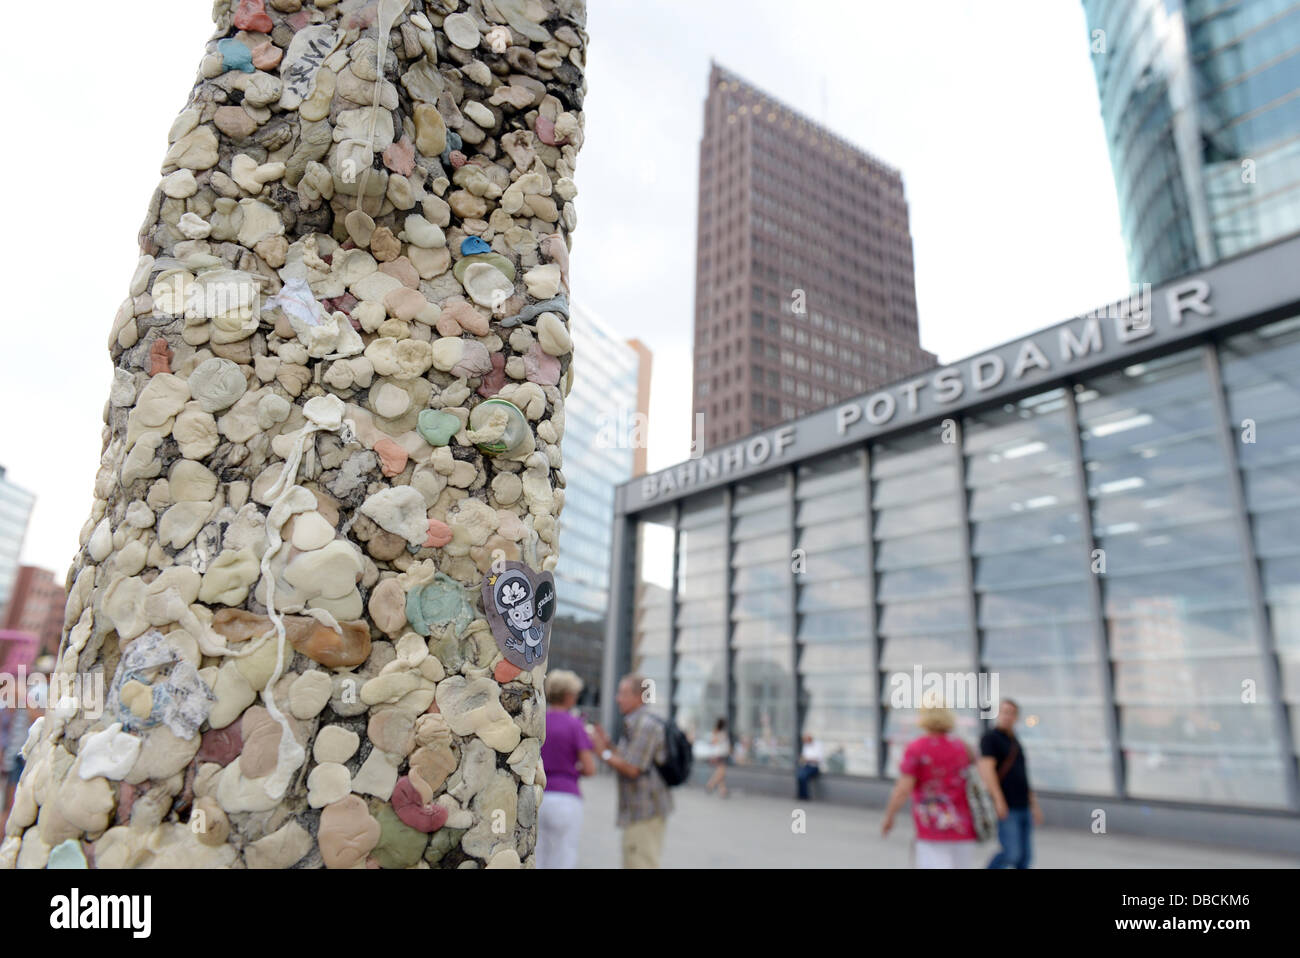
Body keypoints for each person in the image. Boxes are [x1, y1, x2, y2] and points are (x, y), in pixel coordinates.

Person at [590, 673, 673, 868]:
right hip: (639, 809)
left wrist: (603, 754)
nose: (617, 698)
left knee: (641, 862)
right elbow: (630, 758)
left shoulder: (645, 725)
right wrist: (609, 746)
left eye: (622, 693)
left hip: (645, 810)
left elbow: (633, 768)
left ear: (638, 697)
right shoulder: (635, 722)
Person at [880, 704, 977, 868]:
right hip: (963, 823)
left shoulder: (917, 748)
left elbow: (903, 789)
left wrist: (890, 816)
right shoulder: (963, 747)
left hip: (932, 824)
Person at [536, 670, 595, 868]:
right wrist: (571, 768)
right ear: (568, 695)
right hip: (566, 797)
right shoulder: (575, 724)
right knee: (563, 855)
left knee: (538, 854)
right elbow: (589, 768)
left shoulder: (538, 720)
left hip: (539, 795)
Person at [980, 698, 1044, 869]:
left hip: (1023, 805)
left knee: (1025, 856)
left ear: (1016, 717)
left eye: (1011, 713)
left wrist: (1034, 805)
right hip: (1007, 805)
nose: (1007, 716)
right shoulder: (990, 739)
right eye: (1004, 712)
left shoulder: (1015, 741)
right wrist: (998, 800)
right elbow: (987, 771)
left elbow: (1023, 775)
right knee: (1011, 853)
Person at [704, 717, 730, 798]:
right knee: (721, 773)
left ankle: (723, 791)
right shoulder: (720, 733)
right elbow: (713, 742)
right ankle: (710, 785)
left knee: (721, 773)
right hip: (720, 755)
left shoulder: (718, 732)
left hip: (720, 754)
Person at [796, 732, 823, 800]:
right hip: (806, 766)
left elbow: (818, 759)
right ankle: (801, 795)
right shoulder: (806, 746)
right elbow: (803, 757)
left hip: (814, 767)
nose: (805, 741)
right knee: (800, 776)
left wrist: (808, 759)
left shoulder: (817, 745)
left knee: (803, 776)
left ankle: (805, 796)